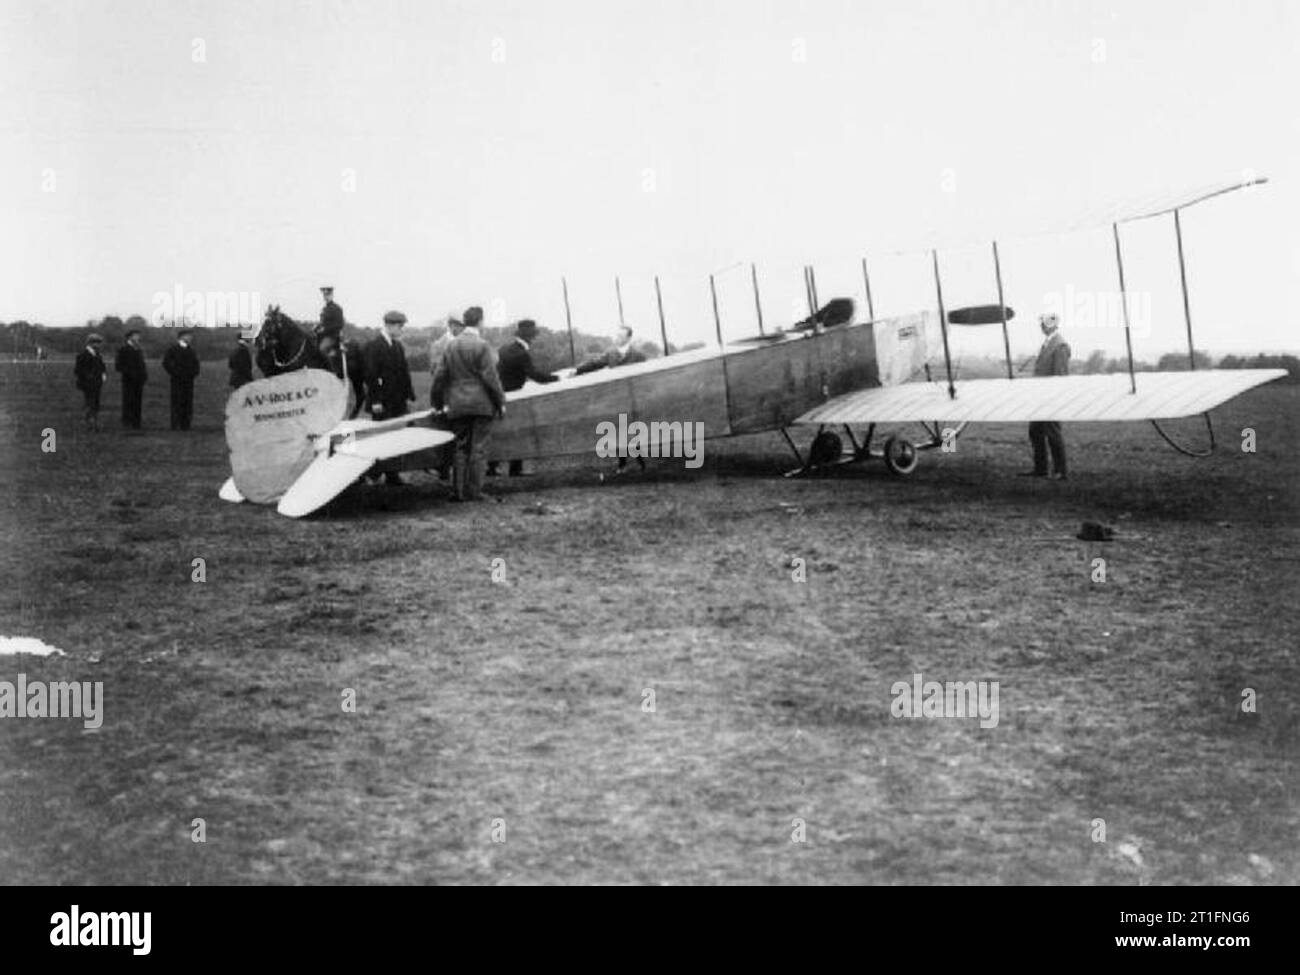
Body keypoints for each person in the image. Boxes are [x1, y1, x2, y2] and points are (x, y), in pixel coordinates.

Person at [432, 306, 506, 501]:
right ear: (480, 321)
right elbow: (491, 378)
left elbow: (439, 377)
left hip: (457, 404)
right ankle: (474, 491)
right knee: (478, 449)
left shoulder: (451, 346)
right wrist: (500, 402)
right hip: (481, 405)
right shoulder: (482, 345)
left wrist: (437, 403)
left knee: (460, 447)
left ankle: (458, 491)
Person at [488, 318, 558, 477]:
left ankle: (492, 466)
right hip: (514, 395)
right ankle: (515, 468)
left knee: (500, 430)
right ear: (529, 337)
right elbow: (534, 375)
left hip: (500, 394)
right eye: (533, 336)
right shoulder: (522, 353)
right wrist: (556, 379)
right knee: (519, 430)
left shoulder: (505, 348)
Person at [363, 311, 416, 485]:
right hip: (382, 403)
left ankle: (392, 474)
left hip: (397, 401)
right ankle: (375, 472)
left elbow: (404, 373)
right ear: (390, 325)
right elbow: (371, 375)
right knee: (381, 437)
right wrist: (376, 401)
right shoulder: (374, 346)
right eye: (400, 326)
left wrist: (409, 395)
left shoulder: (398, 346)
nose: (401, 330)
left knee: (396, 438)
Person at [1021, 312, 1071, 480]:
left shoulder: (1060, 345)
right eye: (1041, 323)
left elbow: (1060, 376)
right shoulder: (1048, 343)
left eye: (1043, 323)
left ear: (1051, 325)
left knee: (1053, 432)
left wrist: (1055, 398)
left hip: (1051, 398)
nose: (1041, 326)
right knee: (1035, 431)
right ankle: (1040, 468)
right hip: (1040, 397)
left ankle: (1060, 471)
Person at [162, 329, 201, 431]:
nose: (190, 338)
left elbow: (196, 364)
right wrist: (174, 373)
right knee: (177, 401)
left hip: (189, 380)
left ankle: (185, 424)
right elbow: (166, 363)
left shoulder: (191, 350)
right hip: (177, 380)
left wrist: (194, 373)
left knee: (187, 402)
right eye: (188, 336)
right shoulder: (173, 349)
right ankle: (175, 424)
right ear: (181, 337)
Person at [574, 324, 647, 375]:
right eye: (617, 335)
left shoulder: (639, 355)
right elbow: (595, 363)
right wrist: (578, 370)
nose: (617, 338)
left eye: (621, 336)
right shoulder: (610, 353)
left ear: (628, 338)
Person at [74, 334, 108, 431]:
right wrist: (88, 377)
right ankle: (89, 423)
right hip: (88, 384)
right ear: (90, 343)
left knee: (96, 403)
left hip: (97, 383)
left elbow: (102, 366)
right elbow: (78, 370)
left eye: (99, 343)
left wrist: (103, 375)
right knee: (90, 403)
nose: (98, 345)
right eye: (96, 343)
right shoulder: (83, 355)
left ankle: (94, 422)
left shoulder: (98, 355)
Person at [114, 328, 147, 429]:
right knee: (128, 401)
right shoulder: (123, 349)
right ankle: (127, 422)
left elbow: (142, 365)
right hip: (128, 381)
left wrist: (144, 376)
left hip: (139, 381)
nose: (138, 337)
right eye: (136, 335)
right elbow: (118, 366)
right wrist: (129, 372)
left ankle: (136, 422)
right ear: (130, 337)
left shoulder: (139, 350)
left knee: (138, 401)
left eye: (138, 336)